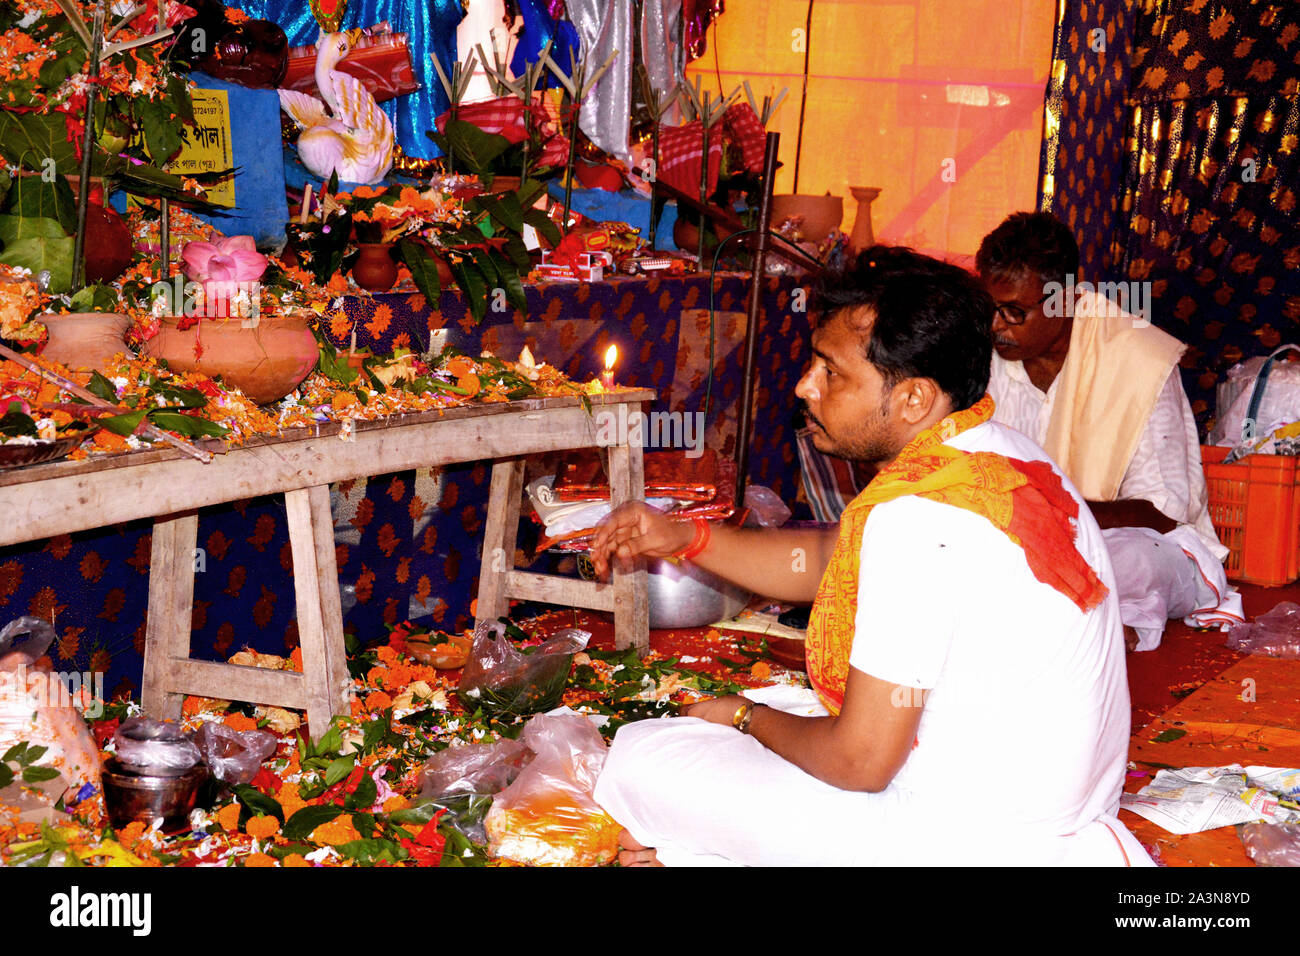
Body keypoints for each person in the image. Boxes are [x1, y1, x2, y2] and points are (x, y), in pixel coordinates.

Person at [589, 246, 1152, 867]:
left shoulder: (917, 519)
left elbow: (858, 763)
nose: (805, 386)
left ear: (913, 400)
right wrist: (685, 538)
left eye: (832, 372)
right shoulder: (1007, 457)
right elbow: (834, 556)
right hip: (1055, 808)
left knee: (644, 755)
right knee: (777, 719)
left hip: (958, 840)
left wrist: (746, 716)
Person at [976, 212, 1240, 651]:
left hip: (1129, 548)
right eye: (989, 308)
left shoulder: (1139, 358)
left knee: (1133, 560)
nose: (995, 326)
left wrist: (1051, 515)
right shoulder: (981, 358)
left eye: (1014, 312)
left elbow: (1161, 514)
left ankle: (1113, 630)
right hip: (1014, 540)